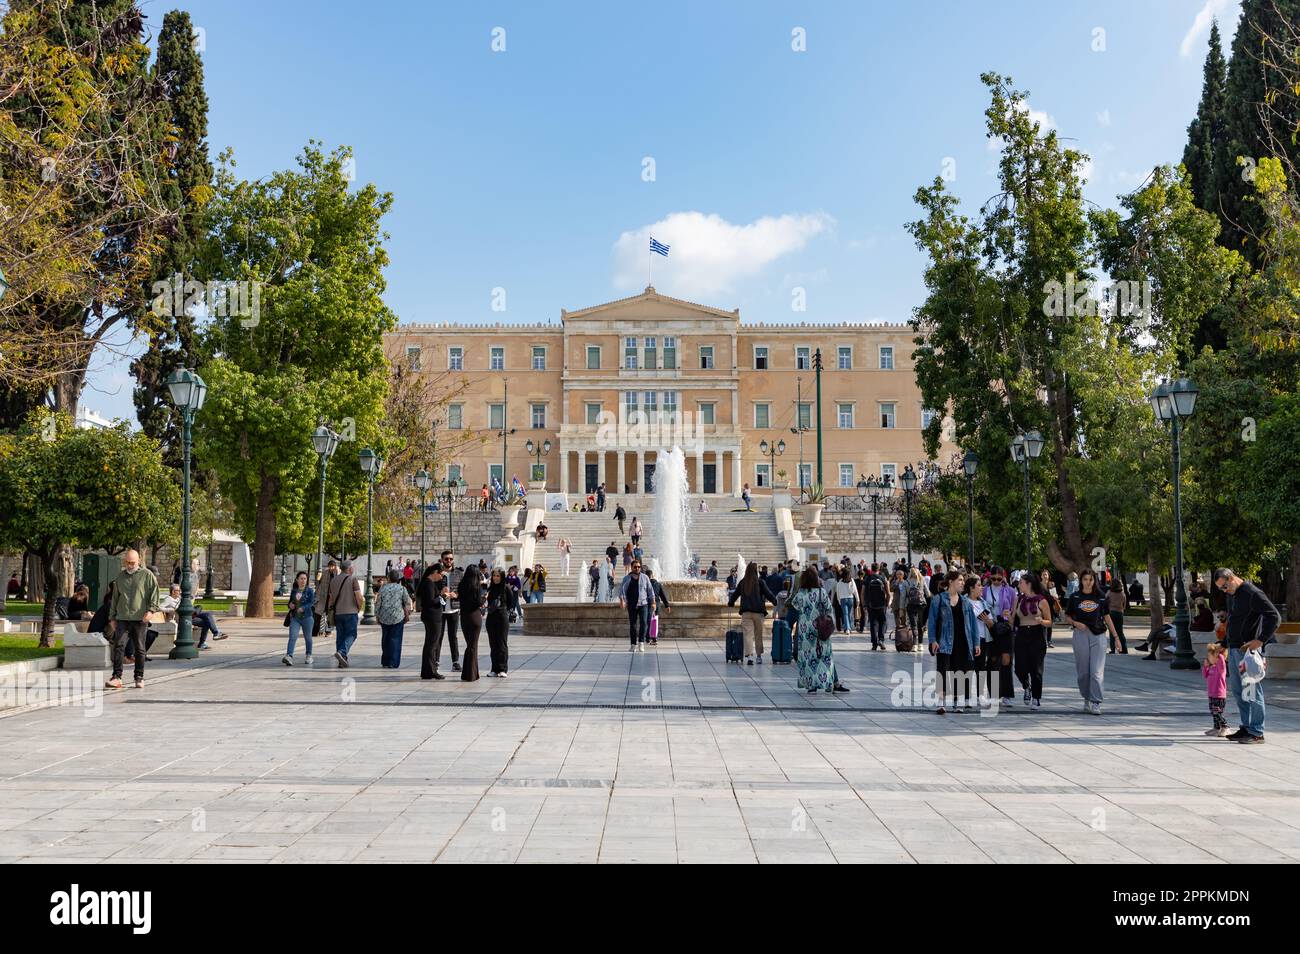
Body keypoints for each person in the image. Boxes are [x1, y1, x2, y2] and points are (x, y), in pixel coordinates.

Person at [1213, 567, 1280, 744]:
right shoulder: (1232, 595)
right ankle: (1246, 727)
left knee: (1251, 691)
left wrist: (1261, 640)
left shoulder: (1252, 593)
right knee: (1238, 691)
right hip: (1235, 649)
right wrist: (1224, 644)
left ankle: (1257, 732)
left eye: (1224, 586)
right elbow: (1233, 621)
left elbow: (1274, 616)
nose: (1224, 591)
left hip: (1249, 652)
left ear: (1232, 578)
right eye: (1221, 588)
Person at [926, 571, 983, 713]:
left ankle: (958, 702)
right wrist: (933, 640)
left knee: (960, 672)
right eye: (960, 580)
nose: (963, 583)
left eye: (963, 580)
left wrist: (976, 643)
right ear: (951, 581)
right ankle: (941, 702)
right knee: (943, 672)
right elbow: (932, 622)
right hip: (944, 641)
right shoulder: (938, 599)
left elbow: (973, 625)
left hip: (963, 642)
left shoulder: (965, 602)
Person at [105, 549, 161, 691]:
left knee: (140, 649)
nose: (130, 565)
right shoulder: (120, 577)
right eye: (127, 563)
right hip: (123, 617)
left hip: (140, 618)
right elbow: (115, 598)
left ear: (139, 561)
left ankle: (139, 677)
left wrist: (151, 610)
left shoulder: (147, 575)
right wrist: (112, 617)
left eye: (132, 563)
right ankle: (117, 677)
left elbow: (155, 593)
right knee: (119, 646)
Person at [1065, 569, 1119, 715]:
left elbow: (1107, 617)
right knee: (1083, 672)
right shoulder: (1075, 596)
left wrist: (1116, 637)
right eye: (1085, 579)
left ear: (1094, 581)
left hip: (1098, 635)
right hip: (1081, 634)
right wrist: (1076, 623)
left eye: (1091, 579)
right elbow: (1067, 617)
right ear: (1081, 581)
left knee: (1096, 672)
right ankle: (1086, 698)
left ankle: (1096, 702)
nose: (1088, 582)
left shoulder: (1101, 597)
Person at [791, 566, 846, 693]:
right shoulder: (821, 592)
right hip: (821, 628)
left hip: (805, 631)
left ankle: (811, 685)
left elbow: (795, 605)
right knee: (825, 656)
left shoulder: (801, 594)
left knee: (808, 657)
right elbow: (828, 609)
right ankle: (828, 683)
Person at [1014, 574, 1053, 709]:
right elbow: (1012, 620)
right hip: (1022, 633)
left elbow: (1049, 622)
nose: (1019, 585)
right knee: (1019, 667)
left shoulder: (1042, 601)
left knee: (1036, 668)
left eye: (1021, 583)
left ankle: (1036, 697)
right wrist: (1008, 616)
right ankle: (1026, 686)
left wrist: (1042, 621)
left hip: (1036, 634)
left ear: (1029, 584)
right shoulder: (1018, 599)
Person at [728, 563, 779, 665]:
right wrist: (774, 601)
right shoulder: (760, 582)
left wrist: (731, 602)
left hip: (746, 613)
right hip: (758, 613)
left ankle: (750, 656)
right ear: (756, 571)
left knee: (748, 635)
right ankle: (759, 656)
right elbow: (768, 593)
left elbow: (735, 594)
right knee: (758, 635)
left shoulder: (743, 582)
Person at [979, 566, 1016, 705]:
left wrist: (1010, 618)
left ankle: (1007, 694)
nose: (996, 581)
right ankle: (994, 693)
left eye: (999, 579)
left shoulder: (1010, 591)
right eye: (993, 578)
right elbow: (979, 606)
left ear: (1003, 577)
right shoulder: (985, 591)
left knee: (1006, 660)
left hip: (1005, 627)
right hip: (990, 626)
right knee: (993, 660)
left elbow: (1014, 608)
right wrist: (986, 620)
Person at [328, 559, 364, 668]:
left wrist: (331, 609)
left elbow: (331, 598)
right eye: (352, 567)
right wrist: (359, 607)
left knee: (340, 636)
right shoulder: (352, 579)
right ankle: (342, 652)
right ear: (349, 569)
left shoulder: (333, 580)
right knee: (352, 634)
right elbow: (359, 597)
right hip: (350, 611)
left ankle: (342, 661)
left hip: (338, 613)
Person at [376, 567, 413, 669]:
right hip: (397, 616)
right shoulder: (402, 589)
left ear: (388, 578)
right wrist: (407, 614)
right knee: (396, 639)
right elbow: (407, 602)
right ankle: (394, 662)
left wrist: (377, 615)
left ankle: (385, 661)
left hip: (384, 616)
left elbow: (378, 603)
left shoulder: (383, 588)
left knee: (385, 638)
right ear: (398, 579)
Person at [417, 563, 448, 680]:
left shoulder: (428, 583)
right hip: (432, 617)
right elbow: (430, 601)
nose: (441, 577)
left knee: (430, 643)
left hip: (431, 616)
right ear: (435, 572)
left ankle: (427, 670)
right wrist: (442, 596)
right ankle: (431, 670)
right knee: (432, 644)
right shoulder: (429, 584)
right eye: (440, 574)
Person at [619, 559, 656, 652]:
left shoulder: (645, 577)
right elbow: (622, 591)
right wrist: (622, 601)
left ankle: (641, 642)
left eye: (639, 567)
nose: (637, 568)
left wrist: (653, 602)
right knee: (633, 625)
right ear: (631, 567)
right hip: (632, 604)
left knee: (644, 623)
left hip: (643, 604)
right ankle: (633, 644)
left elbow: (650, 591)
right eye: (635, 567)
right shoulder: (626, 578)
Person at [282, 571, 315, 666]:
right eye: (301, 578)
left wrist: (303, 608)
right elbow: (290, 602)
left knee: (308, 637)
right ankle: (289, 656)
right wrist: (290, 605)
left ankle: (309, 655)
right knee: (292, 636)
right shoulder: (294, 591)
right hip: (295, 618)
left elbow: (311, 603)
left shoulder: (309, 591)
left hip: (307, 618)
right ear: (297, 580)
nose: (303, 581)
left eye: (305, 579)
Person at [458, 565, 484, 681]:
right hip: (475, 616)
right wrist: (484, 599)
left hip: (464, 617)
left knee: (470, 644)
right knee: (473, 645)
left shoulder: (461, 586)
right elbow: (478, 602)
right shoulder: (476, 587)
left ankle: (470, 672)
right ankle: (471, 674)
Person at [485, 568, 510, 676]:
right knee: (493, 644)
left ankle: (502, 669)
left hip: (502, 617)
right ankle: (494, 669)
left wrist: (503, 609)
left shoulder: (506, 588)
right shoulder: (490, 588)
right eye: (494, 575)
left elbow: (511, 602)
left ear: (502, 577)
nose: (496, 578)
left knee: (502, 643)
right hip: (491, 617)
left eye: (498, 576)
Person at [439, 550, 461, 672]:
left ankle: (455, 662)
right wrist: (440, 593)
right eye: (446, 559)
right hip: (440, 611)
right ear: (442, 559)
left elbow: (463, 590)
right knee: (439, 637)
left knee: (453, 637)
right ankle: (436, 661)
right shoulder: (438, 573)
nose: (449, 561)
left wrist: (455, 594)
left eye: (450, 559)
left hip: (454, 609)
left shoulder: (458, 573)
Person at [1202, 641, 1229, 737]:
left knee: (1217, 712)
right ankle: (1216, 728)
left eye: (1210, 656)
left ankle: (1225, 727)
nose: (1208, 658)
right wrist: (1205, 666)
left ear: (1217, 657)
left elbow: (1221, 659)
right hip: (1211, 694)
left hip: (1219, 694)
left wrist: (1219, 653)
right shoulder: (1211, 668)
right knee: (1213, 712)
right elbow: (1205, 675)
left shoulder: (1221, 668)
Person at [863, 566, 890, 650]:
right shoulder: (883, 578)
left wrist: (864, 604)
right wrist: (887, 603)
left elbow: (862, 592)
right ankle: (881, 640)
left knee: (873, 623)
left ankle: (874, 644)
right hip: (881, 604)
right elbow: (888, 593)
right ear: (879, 569)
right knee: (883, 621)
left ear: (872, 569)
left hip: (870, 604)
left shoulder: (867, 578)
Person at [647, 568, 670, 644]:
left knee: (648, 621)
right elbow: (662, 596)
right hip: (657, 604)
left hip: (649, 603)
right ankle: (654, 638)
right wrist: (667, 605)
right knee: (655, 621)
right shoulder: (658, 584)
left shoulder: (646, 584)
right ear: (652, 575)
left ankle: (648, 638)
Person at [1107, 577, 1129, 654]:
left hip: (1111, 613)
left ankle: (1113, 649)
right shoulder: (1123, 594)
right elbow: (1124, 606)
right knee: (1120, 632)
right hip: (1119, 614)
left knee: (1112, 632)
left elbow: (1106, 603)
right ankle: (1124, 649)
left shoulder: (1109, 593)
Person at [834, 567, 856, 634]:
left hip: (843, 599)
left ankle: (847, 629)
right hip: (851, 598)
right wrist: (857, 599)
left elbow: (837, 592)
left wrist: (838, 600)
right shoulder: (851, 580)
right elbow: (855, 590)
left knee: (845, 614)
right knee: (849, 614)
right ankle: (848, 627)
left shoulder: (840, 582)